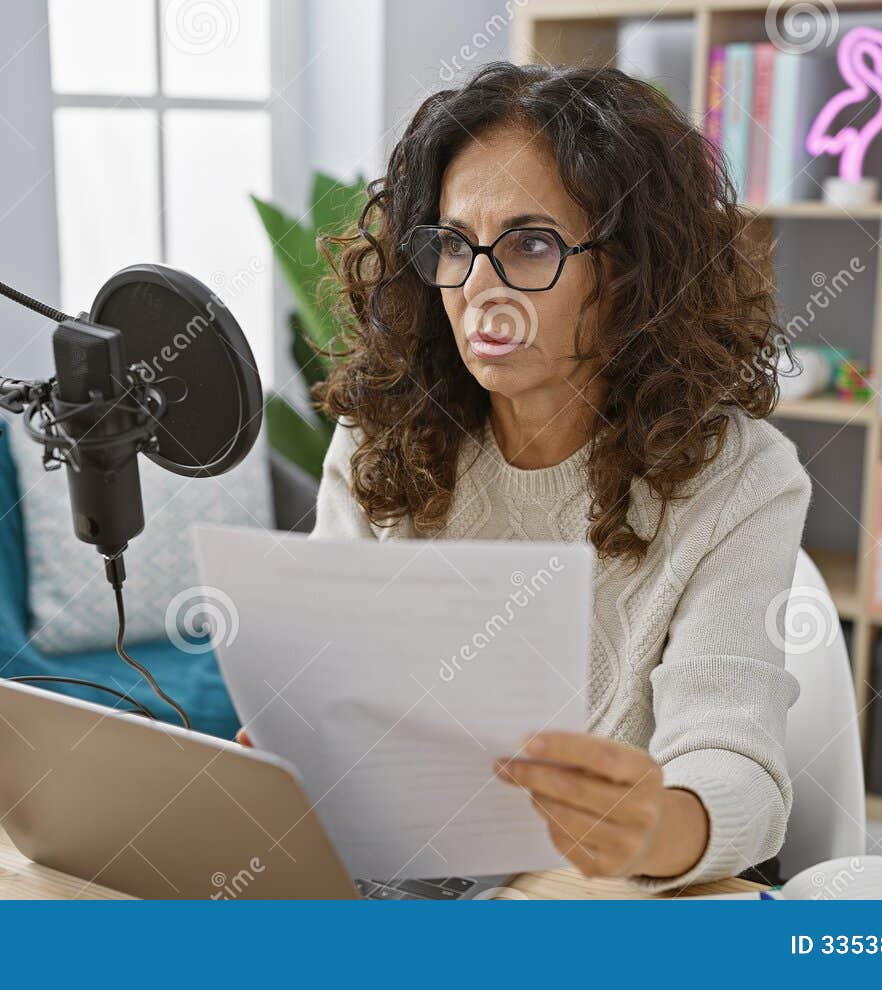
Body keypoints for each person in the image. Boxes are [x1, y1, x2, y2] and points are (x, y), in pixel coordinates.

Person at [250, 61, 810, 891]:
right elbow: (330, 694)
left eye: (531, 243)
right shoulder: (381, 435)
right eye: (453, 244)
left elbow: (738, 764)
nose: (478, 289)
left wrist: (660, 825)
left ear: (630, 269)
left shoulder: (739, 478)